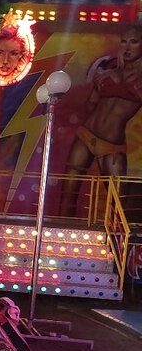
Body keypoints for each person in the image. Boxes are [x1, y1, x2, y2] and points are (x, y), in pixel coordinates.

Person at [60, 23, 142, 217]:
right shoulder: (109, 70)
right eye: (124, 42)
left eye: (134, 42)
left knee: (119, 206)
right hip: (86, 135)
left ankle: (119, 246)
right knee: (67, 194)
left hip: (112, 145)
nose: (127, 47)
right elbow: (90, 104)